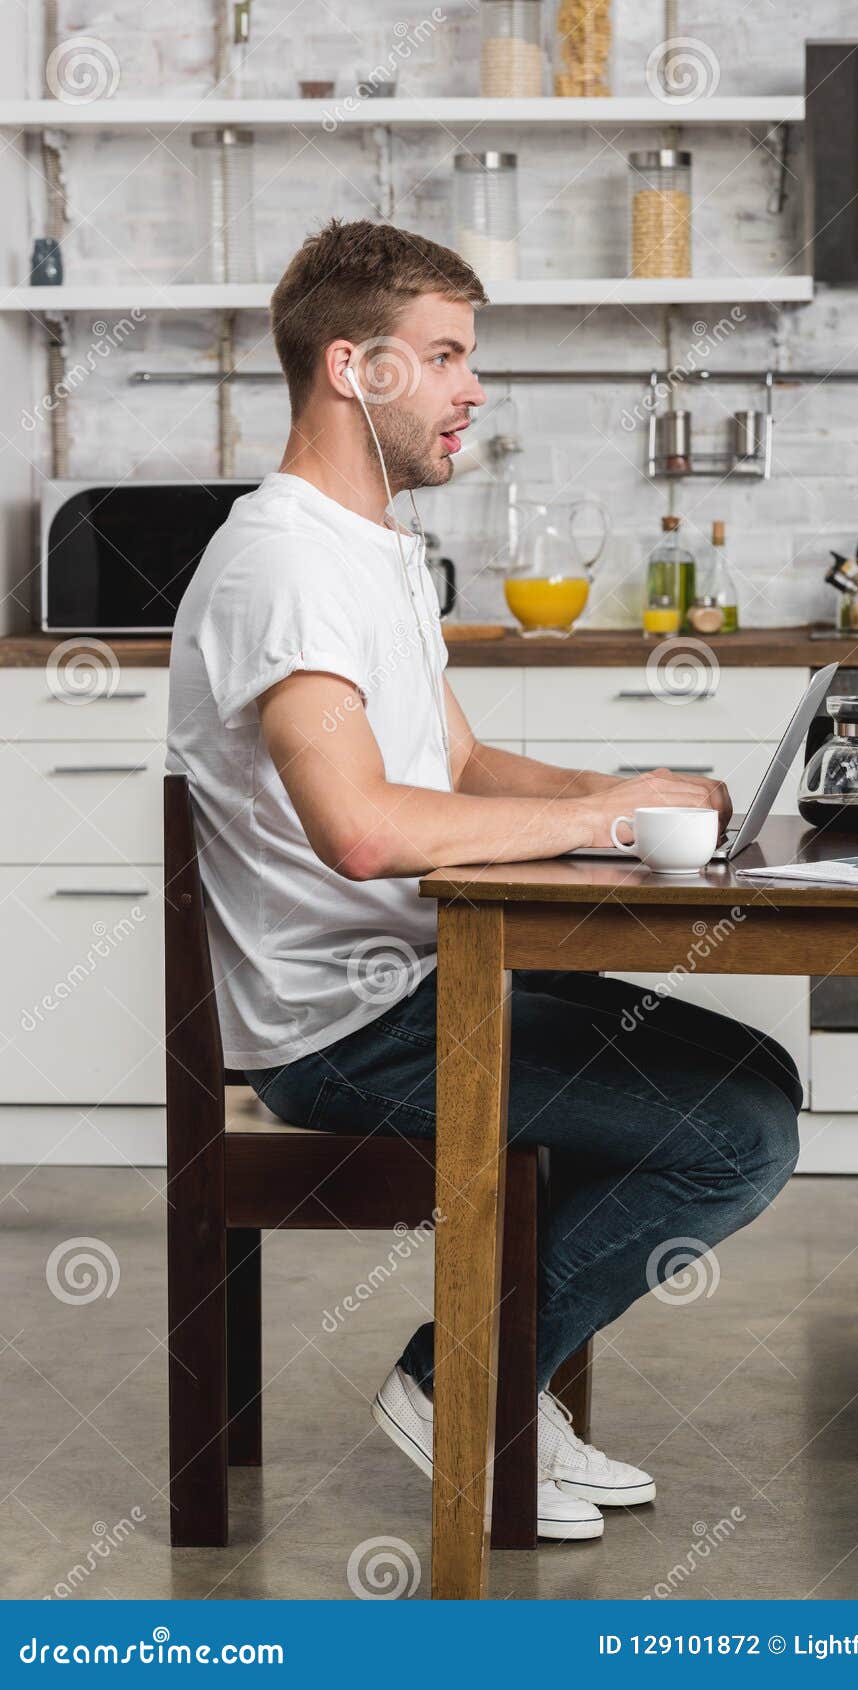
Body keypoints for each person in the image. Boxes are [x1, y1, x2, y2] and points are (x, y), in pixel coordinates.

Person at [166, 218, 802, 1544]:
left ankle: (502, 1379)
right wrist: (605, 814)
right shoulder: (285, 566)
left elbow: (453, 760)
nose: (474, 390)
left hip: (424, 980)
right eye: (447, 356)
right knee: (737, 1131)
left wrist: (623, 798)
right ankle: (461, 1376)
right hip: (348, 1033)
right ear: (354, 369)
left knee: (757, 1084)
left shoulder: (372, 549)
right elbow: (362, 828)